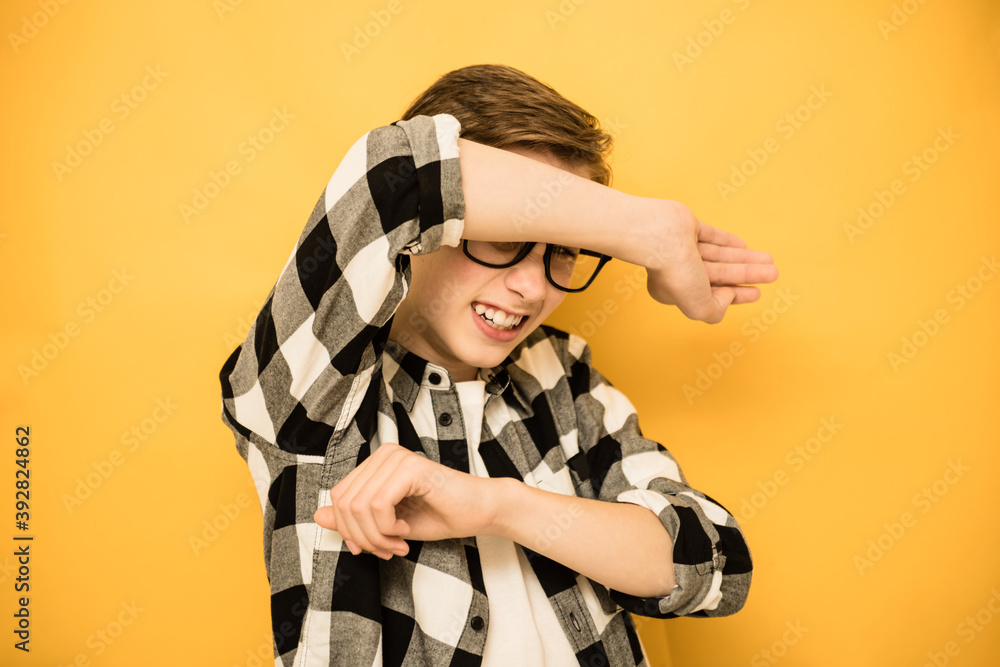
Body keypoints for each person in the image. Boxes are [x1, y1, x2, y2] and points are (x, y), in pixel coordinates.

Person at [219, 63, 776, 666]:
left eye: (562, 249)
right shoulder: (311, 383)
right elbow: (391, 175)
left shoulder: (559, 370)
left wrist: (499, 506)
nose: (533, 288)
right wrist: (650, 231)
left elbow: (713, 564)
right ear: (431, 229)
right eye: (508, 234)